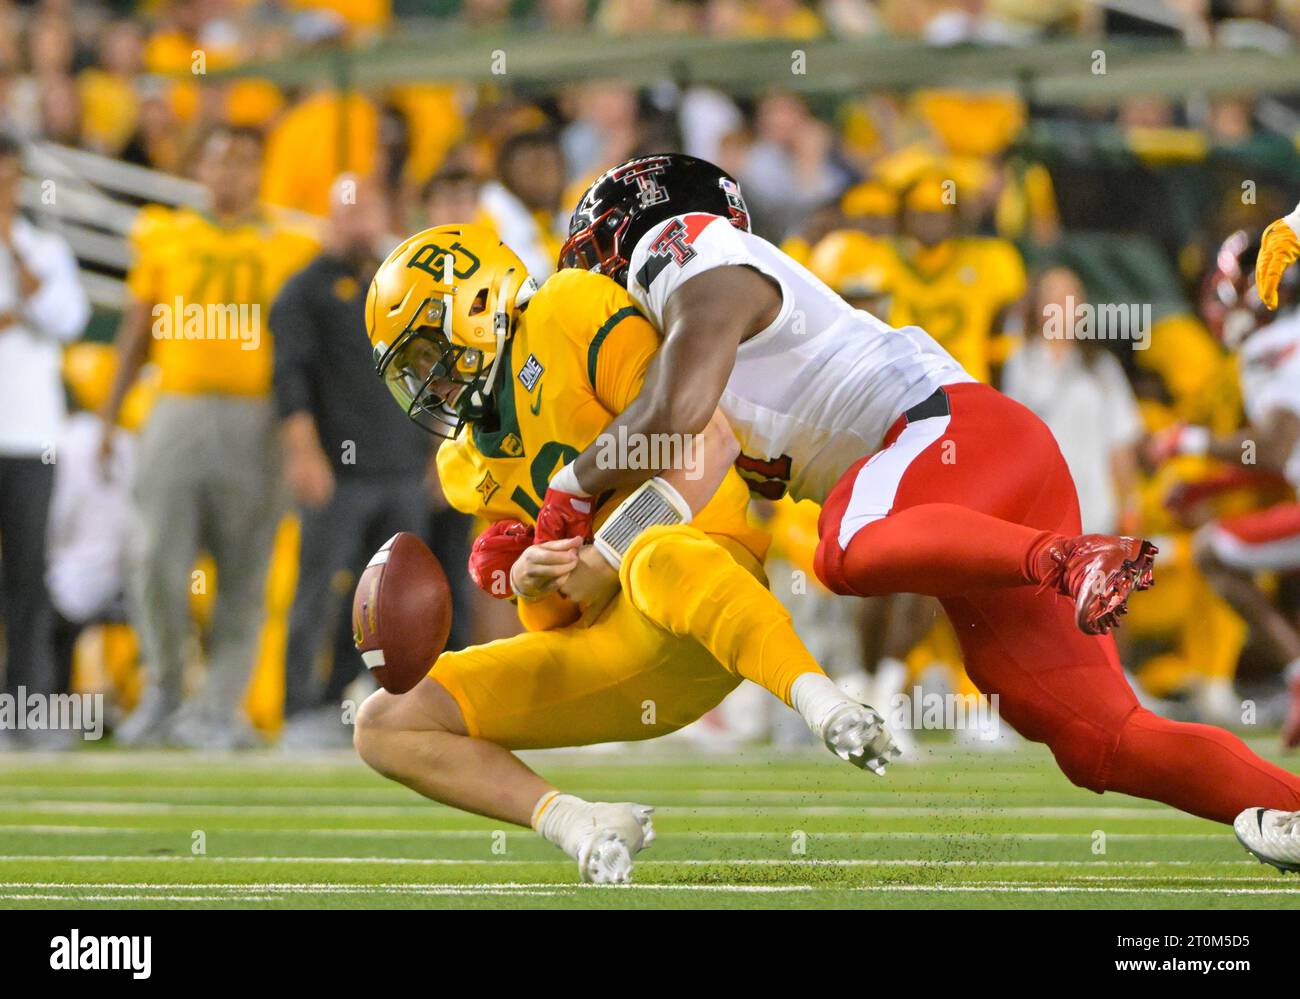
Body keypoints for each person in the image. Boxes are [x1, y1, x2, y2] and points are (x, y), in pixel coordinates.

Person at [551, 153, 1300, 870]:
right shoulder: (701, 344)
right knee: (1097, 738)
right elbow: (685, 461)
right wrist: (585, 546)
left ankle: (1070, 559)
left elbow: (672, 413)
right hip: (987, 479)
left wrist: (566, 494)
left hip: (948, 435)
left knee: (845, 543)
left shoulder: (680, 245)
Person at [353, 223, 897, 884]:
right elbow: (559, 614)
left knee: (654, 555)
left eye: (427, 353)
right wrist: (530, 582)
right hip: (616, 650)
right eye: (410, 370)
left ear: (475, 303)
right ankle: (577, 821)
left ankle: (823, 701)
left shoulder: (568, 311)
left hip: (704, 592)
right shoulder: (463, 462)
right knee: (384, 723)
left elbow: (709, 442)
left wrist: (609, 552)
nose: (427, 383)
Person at [100, 125, 318, 748]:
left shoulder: (290, 245)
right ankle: (165, 688)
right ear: (201, 167)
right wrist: (109, 418)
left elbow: (305, 349)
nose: (232, 173)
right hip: (178, 407)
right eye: (221, 158)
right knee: (156, 560)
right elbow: (136, 330)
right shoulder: (168, 234)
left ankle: (219, 707)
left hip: (258, 415)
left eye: (246, 161)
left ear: (261, 172)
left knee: (244, 570)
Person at [271, 176, 433, 749]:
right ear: (327, 218)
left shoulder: (400, 288)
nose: (359, 222)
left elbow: (426, 374)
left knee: (386, 601)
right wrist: (304, 453)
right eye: (348, 211)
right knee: (320, 588)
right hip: (338, 473)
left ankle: (348, 700)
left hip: (401, 466)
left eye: (368, 209)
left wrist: (436, 453)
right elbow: (288, 380)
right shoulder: (303, 291)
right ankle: (298, 709)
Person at [1152, 230, 1300, 749]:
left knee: (1216, 552)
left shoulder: (1274, 345)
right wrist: (1209, 485)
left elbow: (1274, 447)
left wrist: (1190, 442)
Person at [0, 131, 90, 746]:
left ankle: (25, 708)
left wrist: (11, 247)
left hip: (31, 436)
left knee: (29, 576)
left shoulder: (45, 249)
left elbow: (67, 318)